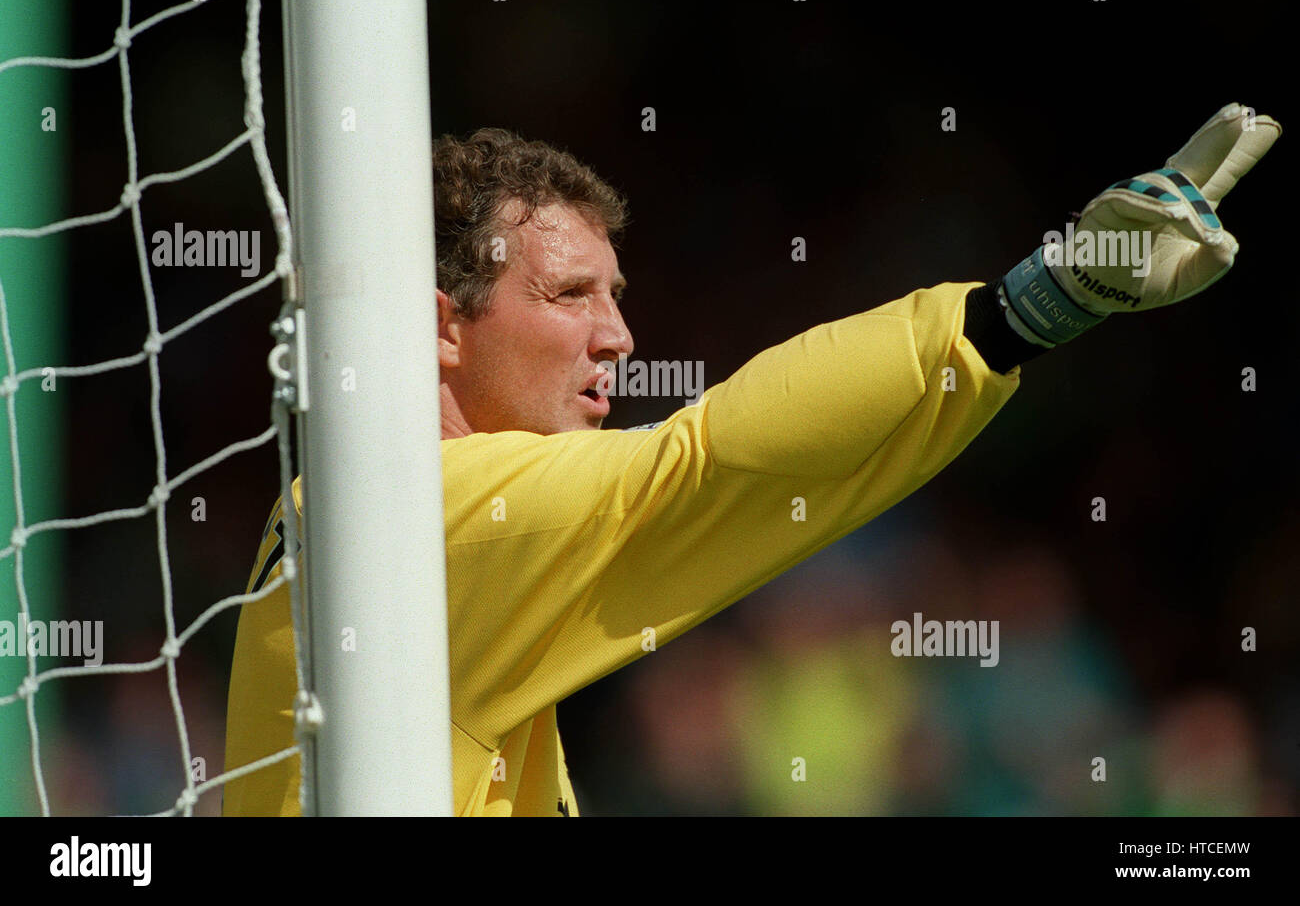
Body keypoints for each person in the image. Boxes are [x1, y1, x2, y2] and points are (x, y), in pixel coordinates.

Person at [223, 106, 1279, 816]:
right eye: (568, 294)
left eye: (617, 293)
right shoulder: (427, 519)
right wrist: (1028, 309)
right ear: (440, 327)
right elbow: (713, 459)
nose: (619, 336)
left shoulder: (359, 514)